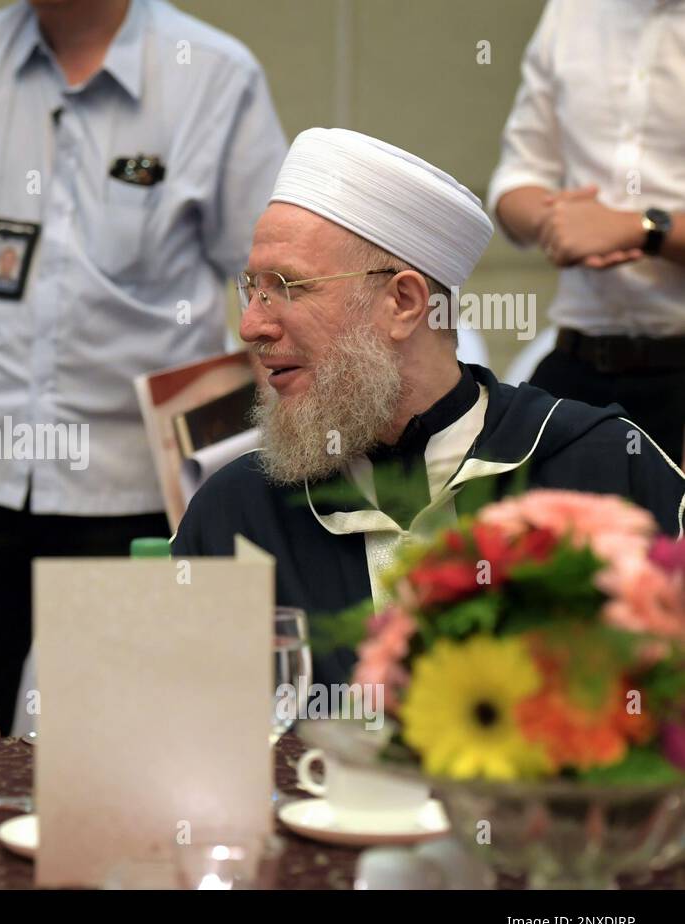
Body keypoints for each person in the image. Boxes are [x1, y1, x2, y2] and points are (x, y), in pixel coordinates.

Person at [0, 0, 287, 731]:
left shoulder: (214, 74)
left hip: (136, 490)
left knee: (127, 746)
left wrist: (283, 447)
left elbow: (266, 272)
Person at [172, 128, 685, 685]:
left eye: (289, 287)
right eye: (251, 289)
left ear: (403, 303)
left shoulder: (605, 468)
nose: (251, 326)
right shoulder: (235, 514)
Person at [488, 0, 685, 462]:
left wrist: (643, 230)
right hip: (579, 357)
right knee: (504, 518)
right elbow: (516, 179)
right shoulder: (572, 10)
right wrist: (555, 221)